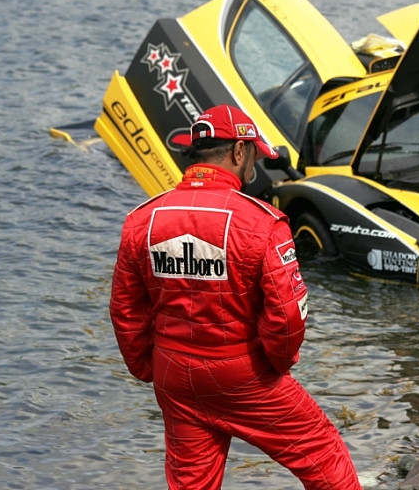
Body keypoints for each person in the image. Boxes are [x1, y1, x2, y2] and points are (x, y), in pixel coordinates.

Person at [109, 104, 361, 490]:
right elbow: (288, 315)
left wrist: (150, 366)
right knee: (323, 454)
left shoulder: (141, 220)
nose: (254, 167)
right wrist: (275, 364)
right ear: (238, 152)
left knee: (191, 482)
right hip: (243, 372)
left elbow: (126, 309)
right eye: (254, 155)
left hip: (173, 373)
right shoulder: (261, 223)